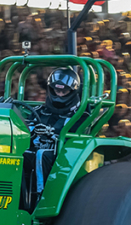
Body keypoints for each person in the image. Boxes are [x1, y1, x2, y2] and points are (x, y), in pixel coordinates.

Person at [21, 68, 88, 210]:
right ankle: (18, 201)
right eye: (57, 91)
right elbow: (25, 129)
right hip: (35, 150)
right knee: (18, 155)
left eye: (64, 92)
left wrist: (53, 135)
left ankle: (42, 201)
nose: (59, 94)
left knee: (42, 155)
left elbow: (78, 141)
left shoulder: (81, 116)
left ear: (73, 91)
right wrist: (31, 130)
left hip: (63, 157)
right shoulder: (39, 111)